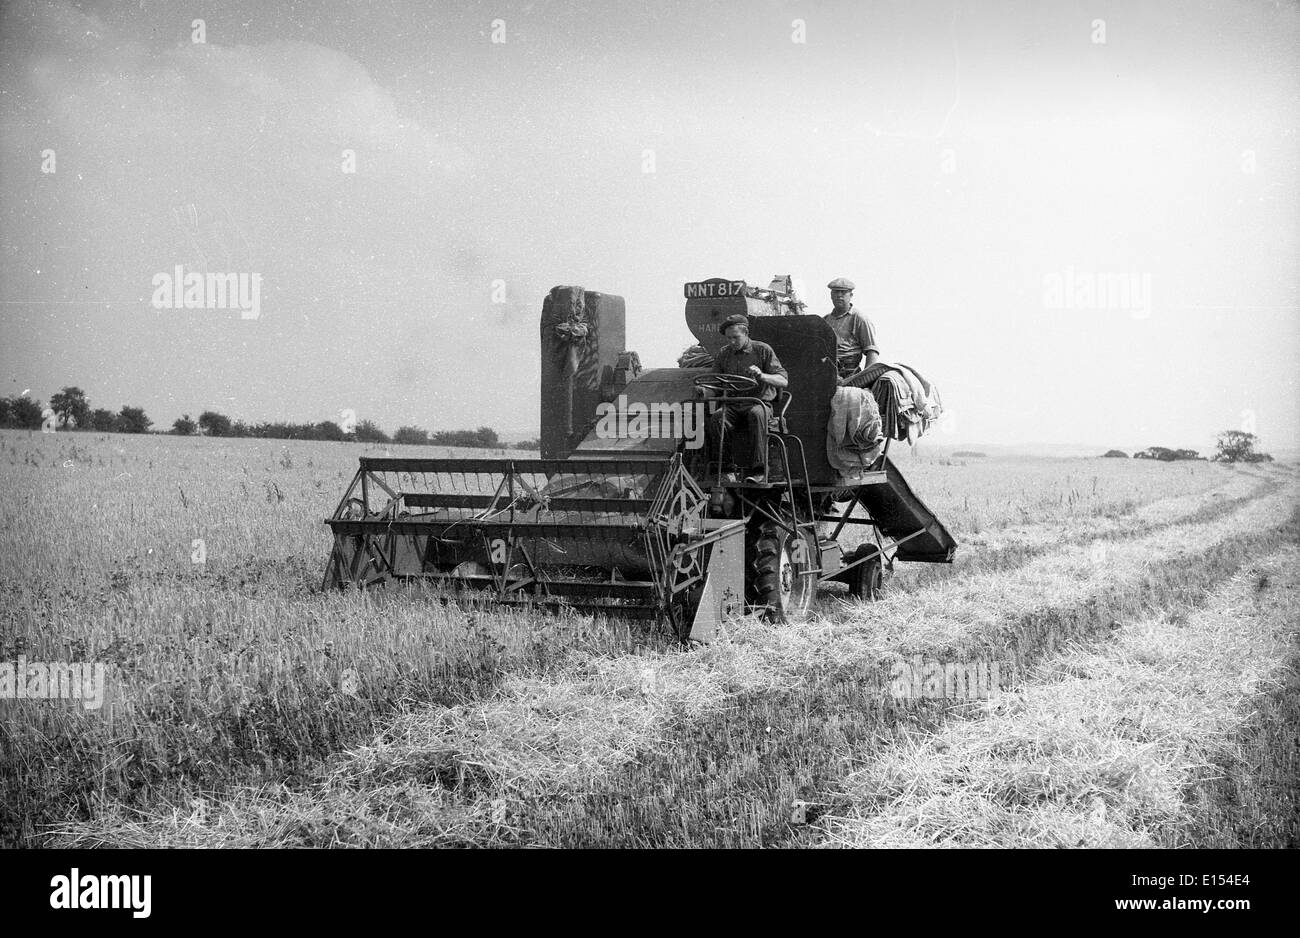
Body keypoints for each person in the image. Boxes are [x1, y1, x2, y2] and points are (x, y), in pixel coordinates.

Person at [705, 314, 789, 483]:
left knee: (757, 414)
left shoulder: (763, 350)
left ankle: (760, 471)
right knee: (717, 418)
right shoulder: (724, 354)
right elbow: (714, 383)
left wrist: (762, 375)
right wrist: (704, 391)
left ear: (746, 333)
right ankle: (726, 470)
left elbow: (783, 380)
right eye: (728, 338)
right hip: (734, 405)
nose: (732, 342)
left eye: (735, 337)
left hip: (759, 403)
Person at [823, 277, 879, 381]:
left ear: (851, 295)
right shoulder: (825, 320)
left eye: (843, 292)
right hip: (827, 371)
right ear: (831, 295)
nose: (839, 295)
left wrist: (866, 379)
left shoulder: (859, 318)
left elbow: (872, 352)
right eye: (836, 292)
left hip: (849, 373)